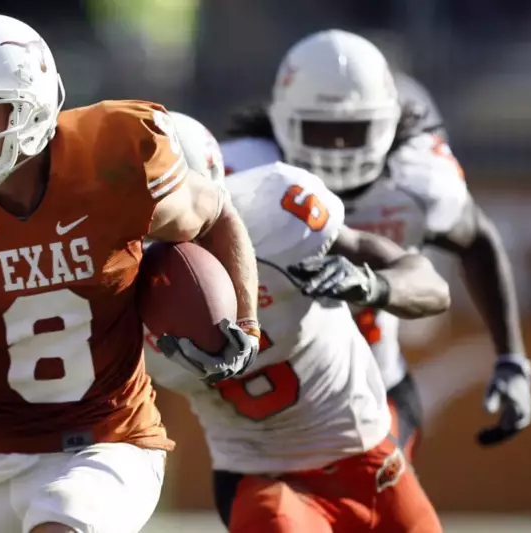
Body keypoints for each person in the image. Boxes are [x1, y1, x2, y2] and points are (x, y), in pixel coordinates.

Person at [0, 12, 261, 533]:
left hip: (109, 443)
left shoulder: (112, 160)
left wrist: (245, 322)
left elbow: (216, 212)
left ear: (35, 106)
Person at [220, 29, 531, 459]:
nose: (338, 149)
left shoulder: (417, 181)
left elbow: (477, 242)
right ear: (283, 120)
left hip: (375, 391)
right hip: (271, 402)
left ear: (387, 120)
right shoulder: (244, 176)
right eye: (320, 131)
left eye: (352, 130)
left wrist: (512, 359)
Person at [146, 111, 451, 532]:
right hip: (259, 477)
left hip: (365, 456)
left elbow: (432, 288)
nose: (169, 230)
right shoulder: (114, 292)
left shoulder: (280, 211)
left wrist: (372, 285)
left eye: (176, 208)